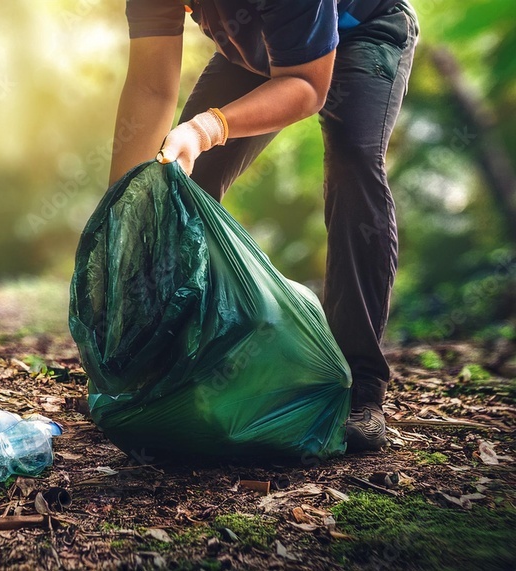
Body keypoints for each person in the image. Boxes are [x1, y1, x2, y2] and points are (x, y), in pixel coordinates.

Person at [110, 0, 418, 451]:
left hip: (362, 32)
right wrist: (121, 207)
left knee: (354, 159)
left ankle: (362, 388)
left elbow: (307, 85)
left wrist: (207, 128)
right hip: (261, 49)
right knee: (181, 175)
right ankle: (156, 368)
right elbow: (150, 86)